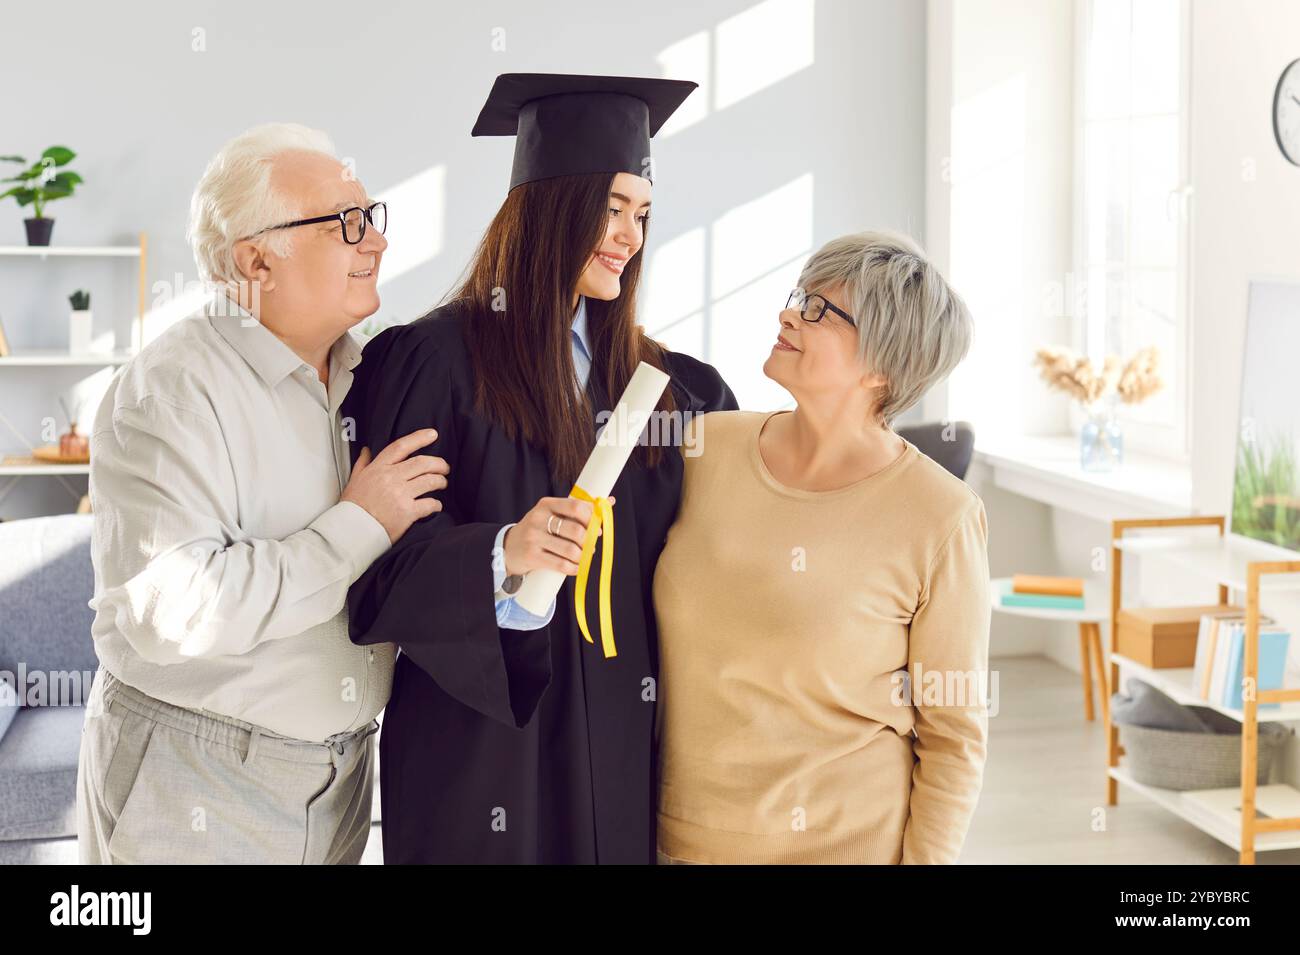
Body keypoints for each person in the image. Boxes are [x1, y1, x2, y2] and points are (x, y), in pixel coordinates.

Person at [343, 73, 737, 863]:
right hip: (485, 751)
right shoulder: (432, 363)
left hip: (629, 739)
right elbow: (378, 579)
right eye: (612, 207)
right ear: (550, 205)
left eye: (643, 213)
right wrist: (502, 554)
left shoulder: (681, 391)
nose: (629, 234)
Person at [78, 123, 447, 864]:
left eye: (372, 217)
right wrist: (358, 526)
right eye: (347, 223)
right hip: (199, 779)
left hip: (342, 778)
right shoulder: (174, 389)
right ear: (256, 260)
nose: (374, 241)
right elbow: (171, 611)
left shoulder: (366, 375)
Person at [653, 230, 990, 864]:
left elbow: (954, 737)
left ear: (884, 365)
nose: (788, 313)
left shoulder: (942, 516)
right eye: (798, 296)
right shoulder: (705, 447)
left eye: (820, 309)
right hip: (675, 843)